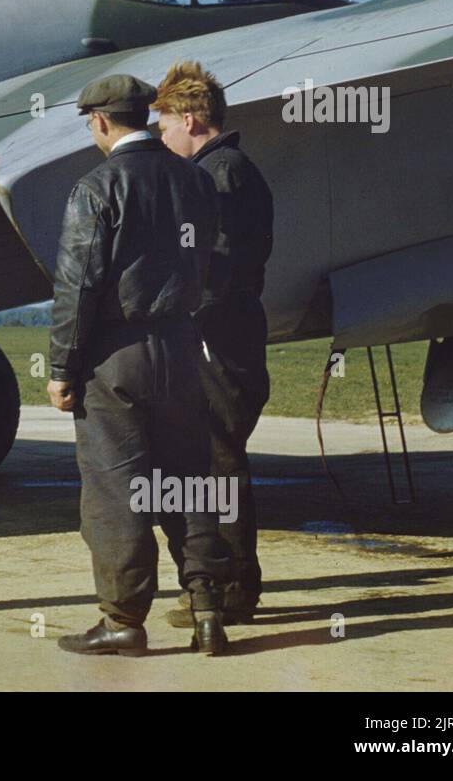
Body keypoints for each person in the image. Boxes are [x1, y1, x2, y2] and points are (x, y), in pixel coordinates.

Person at [48, 73, 231, 656]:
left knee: (118, 490)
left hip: (116, 358)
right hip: (180, 348)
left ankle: (123, 618)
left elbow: (77, 287)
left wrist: (61, 367)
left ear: (100, 121)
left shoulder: (96, 187)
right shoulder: (196, 181)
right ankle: (206, 606)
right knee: (187, 483)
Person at [152, 60, 274, 625]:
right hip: (229, 332)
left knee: (220, 458)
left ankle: (232, 586)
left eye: (164, 125)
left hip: (217, 338)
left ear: (191, 118)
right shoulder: (228, 169)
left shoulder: (220, 173)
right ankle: (231, 580)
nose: (161, 136)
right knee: (216, 457)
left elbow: (218, 264)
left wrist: (183, 313)